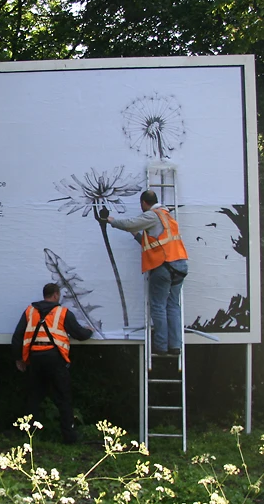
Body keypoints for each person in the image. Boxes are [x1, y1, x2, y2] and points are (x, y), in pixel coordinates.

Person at [106, 190, 189, 356]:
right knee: (173, 306)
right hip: (180, 264)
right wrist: (137, 235)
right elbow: (156, 243)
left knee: (158, 306)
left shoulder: (153, 215)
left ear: (144, 203)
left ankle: (161, 347)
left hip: (164, 265)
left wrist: (112, 221)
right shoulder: (167, 216)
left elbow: (130, 223)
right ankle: (175, 346)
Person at [11, 282, 94, 443]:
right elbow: (80, 334)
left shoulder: (30, 311)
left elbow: (17, 336)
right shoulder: (63, 312)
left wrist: (18, 358)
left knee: (33, 397)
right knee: (63, 398)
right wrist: (89, 332)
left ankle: (28, 436)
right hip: (55, 359)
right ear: (56, 295)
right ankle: (69, 438)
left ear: (44, 295)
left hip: (35, 359)